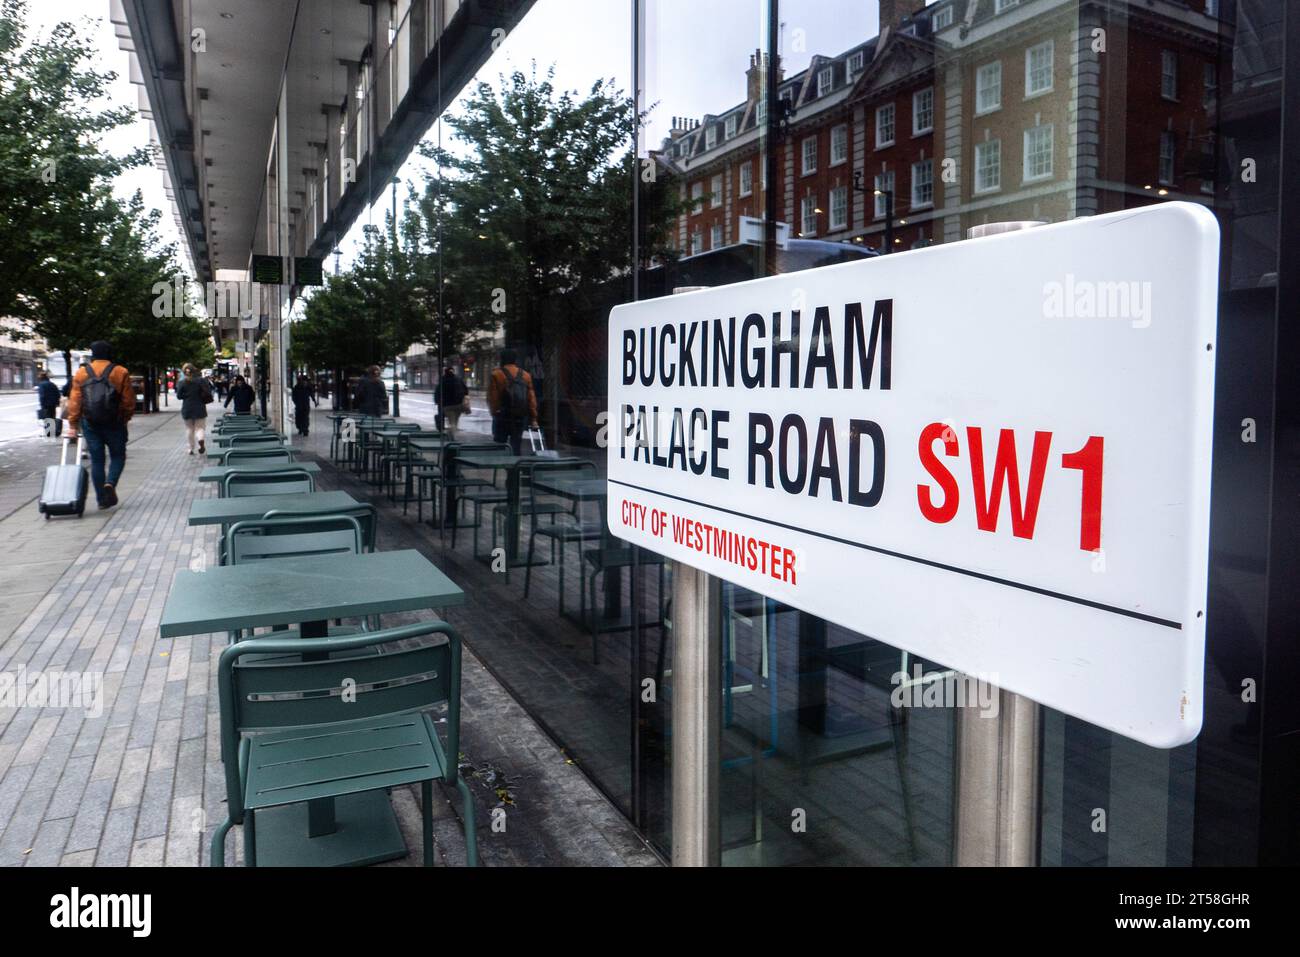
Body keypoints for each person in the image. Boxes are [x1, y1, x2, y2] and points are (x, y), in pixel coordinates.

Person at [65, 340, 135, 510]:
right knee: (118, 456)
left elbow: (75, 401)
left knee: (97, 460)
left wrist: (73, 424)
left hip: (90, 423)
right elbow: (128, 401)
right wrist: (124, 417)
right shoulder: (120, 372)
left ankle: (101, 500)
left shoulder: (81, 373)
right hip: (114, 422)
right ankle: (110, 483)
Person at [487, 347, 539, 454]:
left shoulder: (496, 374)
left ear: (502, 359)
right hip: (520, 415)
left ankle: (501, 467)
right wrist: (533, 418)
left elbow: (493, 397)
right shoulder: (526, 375)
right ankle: (514, 468)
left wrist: (494, 412)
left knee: (500, 445)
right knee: (516, 444)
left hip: (502, 415)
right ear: (515, 360)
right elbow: (531, 398)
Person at [175, 363, 212, 454]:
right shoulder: (201, 381)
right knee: (200, 428)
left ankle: (190, 448)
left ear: (184, 372)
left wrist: (186, 395)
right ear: (194, 370)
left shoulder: (181, 382)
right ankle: (201, 441)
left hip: (187, 408)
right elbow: (207, 391)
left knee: (189, 429)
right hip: (200, 407)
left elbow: (179, 396)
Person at [435, 364, 467, 437]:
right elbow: (465, 390)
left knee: (451, 421)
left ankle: (451, 435)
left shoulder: (443, 380)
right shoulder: (458, 379)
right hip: (459, 404)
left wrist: (437, 401)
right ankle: (452, 433)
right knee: (455, 421)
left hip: (448, 405)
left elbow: (438, 392)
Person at [36, 370, 62, 437]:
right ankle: (51, 432)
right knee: (52, 416)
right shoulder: (52, 384)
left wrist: (42, 404)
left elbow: (42, 395)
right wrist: (57, 402)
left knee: (47, 417)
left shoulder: (41, 385)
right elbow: (58, 394)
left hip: (46, 404)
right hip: (53, 404)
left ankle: (49, 433)